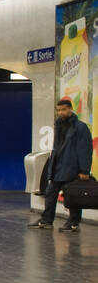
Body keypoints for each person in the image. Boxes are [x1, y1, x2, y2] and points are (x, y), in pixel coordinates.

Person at [30, 97, 94, 232]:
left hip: (73, 167)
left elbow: (85, 150)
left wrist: (84, 170)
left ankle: (73, 223)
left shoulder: (80, 128)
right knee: (50, 193)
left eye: (63, 110)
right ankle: (46, 220)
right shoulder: (58, 124)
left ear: (70, 109)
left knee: (73, 195)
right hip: (59, 167)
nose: (60, 112)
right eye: (58, 110)